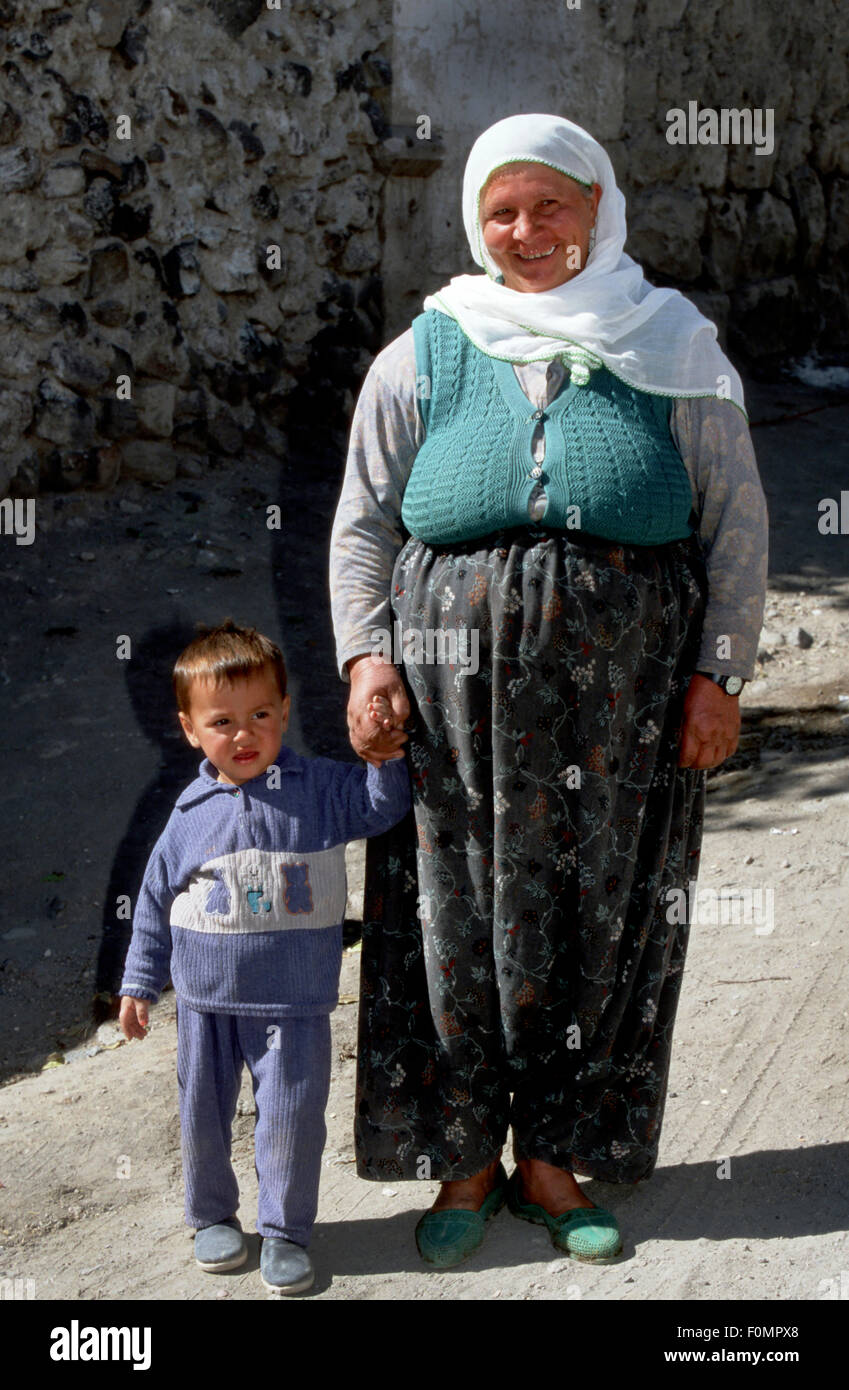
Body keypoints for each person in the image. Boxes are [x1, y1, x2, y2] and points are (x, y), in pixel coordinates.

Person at [329, 114, 768, 1268]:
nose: (526, 232)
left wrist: (719, 674)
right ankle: (464, 1156)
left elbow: (735, 528)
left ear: (598, 207)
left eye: (550, 206)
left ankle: (554, 1159)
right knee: (450, 918)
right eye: (501, 212)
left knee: (601, 917)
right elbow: (364, 522)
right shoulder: (426, 348)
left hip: (621, 705)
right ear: (477, 223)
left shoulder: (672, 344)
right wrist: (367, 658)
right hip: (450, 704)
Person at [118, 619, 410, 1294]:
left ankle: (284, 1231)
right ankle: (213, 1216)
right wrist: (140, 982)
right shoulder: (188, 814)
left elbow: (381, 810)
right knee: (200, 1118)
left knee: (291, 1120)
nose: (242, 735)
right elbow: (156, 901)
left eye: (259, 715)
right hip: (205, 1007)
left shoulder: (318, 790)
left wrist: (383, 759)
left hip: (296, 1003)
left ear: (283, 712)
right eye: (221, 721)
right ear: (189, 729)